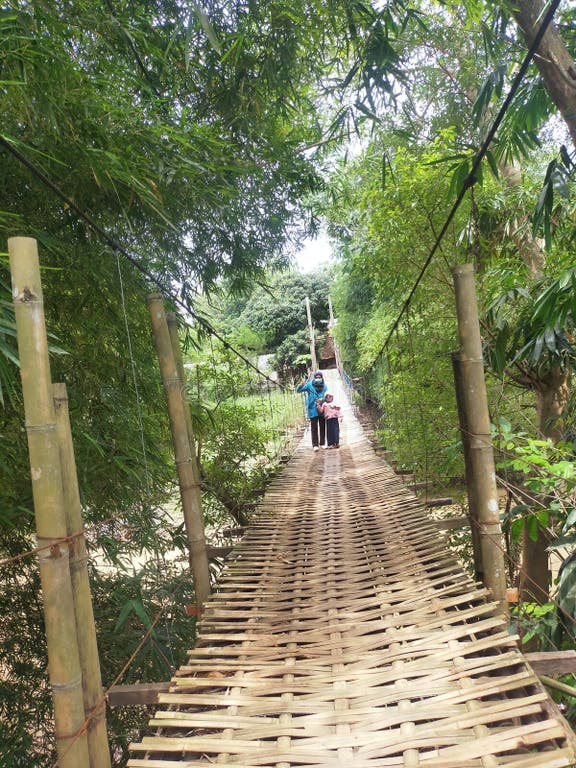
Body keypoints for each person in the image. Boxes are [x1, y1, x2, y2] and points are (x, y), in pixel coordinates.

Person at [297, 371, 328, 451]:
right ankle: (315, 445)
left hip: (321, 408)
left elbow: (328, 396)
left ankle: (322, 443)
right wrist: (301, 385)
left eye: (319, 377)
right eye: (316, 377)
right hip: (312, 408)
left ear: (322, 377)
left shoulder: (324, 386)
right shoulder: (309, 384)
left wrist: (323, 399)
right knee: (314, 427)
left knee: (322, 426)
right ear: (314, 377)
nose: (318, 379)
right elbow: (299, 391)